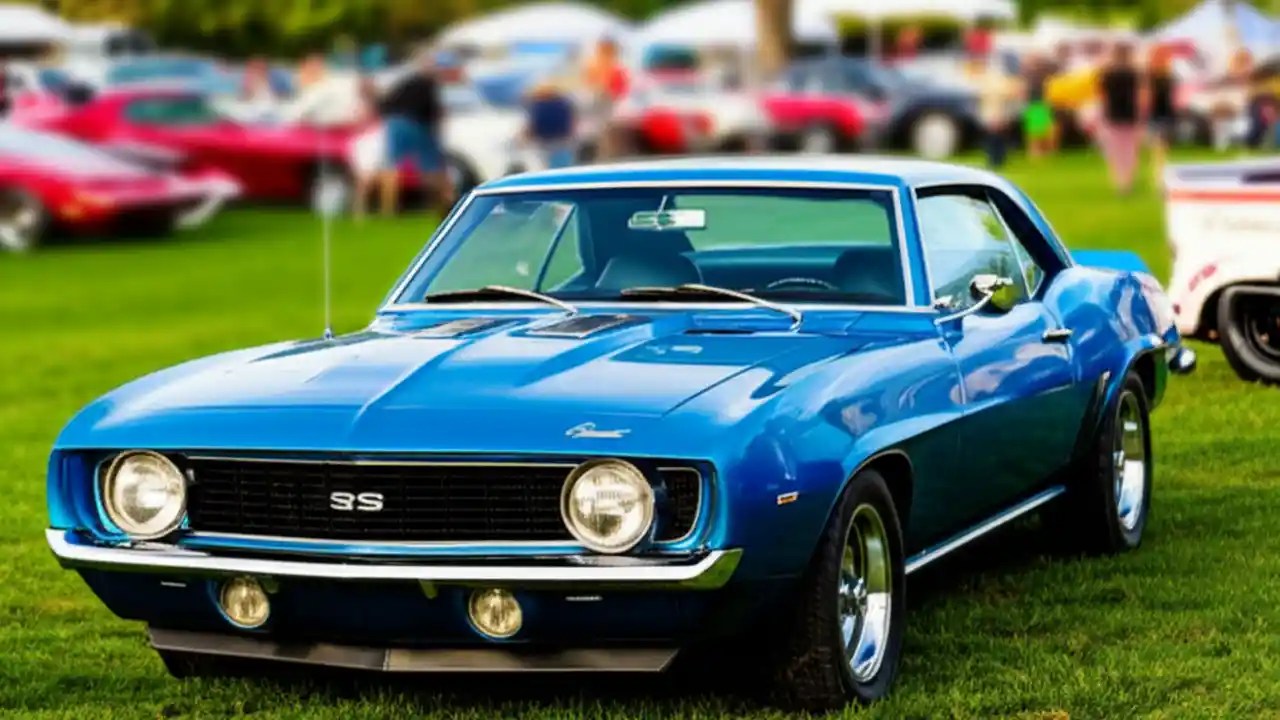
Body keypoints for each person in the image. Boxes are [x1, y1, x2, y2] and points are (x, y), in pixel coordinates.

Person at [379, 51, 448, 216]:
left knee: (392, 166)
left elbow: (385, 103)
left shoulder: (405, 82)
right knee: (430, 166)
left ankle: (387, 210)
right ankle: (439, 205)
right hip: (417, 124)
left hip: (395, 122)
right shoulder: (430, 86)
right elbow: (432, 113)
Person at [1097, 41, 1147, 195]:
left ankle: (1119, 182)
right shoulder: (1135, 72)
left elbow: (1102, 95)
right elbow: (1140, 95)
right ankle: (1128, 180)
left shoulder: (1107, 72)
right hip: (1130, 113)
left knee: (1115, 151)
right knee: (1130, 149)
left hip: (1112, 113)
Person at [582, 37, 629, 159]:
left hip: (607, 99)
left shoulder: (611, 65)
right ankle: (603, 154)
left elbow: (620, 85)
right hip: (602, 99)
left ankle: (605, 154)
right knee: (601, 130)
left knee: (604, 129)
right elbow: (590, 81)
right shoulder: (599, 64)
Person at [347, 75, 386, 220]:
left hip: (373, 139)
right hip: (364, 141)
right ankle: (359, 209)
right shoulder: (358, 104)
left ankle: (364, 209)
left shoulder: (377, 104)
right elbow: (357, 121)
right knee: (364, 177)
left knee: (371, 176)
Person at [973, 54, 1021, 170]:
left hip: (998, 113)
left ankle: (998, 159)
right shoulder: (990, 81)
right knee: (993, 138)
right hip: (992, 113)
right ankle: (994, 159)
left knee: (997, 138)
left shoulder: (1002, 81)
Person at [524, 80, 577, 170]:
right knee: (563, 166)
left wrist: (527, 136)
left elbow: (533, 126)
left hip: (545, 142)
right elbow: (572, 121)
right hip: (562, 140)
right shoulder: (563, 103)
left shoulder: (537, 106)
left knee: (547, 167)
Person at [1147, 45, 1177, 187]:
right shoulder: (1150, 76)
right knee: (1159, 149)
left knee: (1162, 148)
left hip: (1164, 114)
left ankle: (1160, 176)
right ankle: (1159, 179)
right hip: (1156, 115)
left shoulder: (1167, 76)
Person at [1021, 54, 1054, 160]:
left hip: (1042, 105)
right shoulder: (1030, 76)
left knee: (1043, 131)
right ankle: (1035, 152)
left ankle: (1041, 152)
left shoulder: (1041, 75)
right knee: (1034, 132)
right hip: (1034, 106)